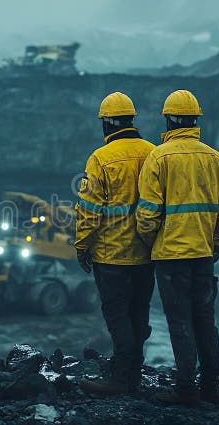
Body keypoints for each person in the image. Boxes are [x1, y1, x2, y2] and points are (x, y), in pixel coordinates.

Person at [136, 90, 219, 404]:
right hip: (203, 255)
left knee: (179, 322)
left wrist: (152, 242)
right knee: (205, 319)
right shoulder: (215, 158)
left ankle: (185, 389)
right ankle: (211, 386)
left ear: (168, 119)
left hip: (171, 257)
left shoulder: (159, 157)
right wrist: (216, 243)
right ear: (195, 120)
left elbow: (148, 213)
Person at [74, 92, 156, 395]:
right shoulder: (154, 153)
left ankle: (122, 379)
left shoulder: (100, 159)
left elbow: (89, 209)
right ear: (131, 120)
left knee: (118, 315)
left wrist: (82, 245)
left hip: (111, 256)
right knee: (139, 314)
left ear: (107, 123)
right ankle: (132, 373)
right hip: (147, 254)